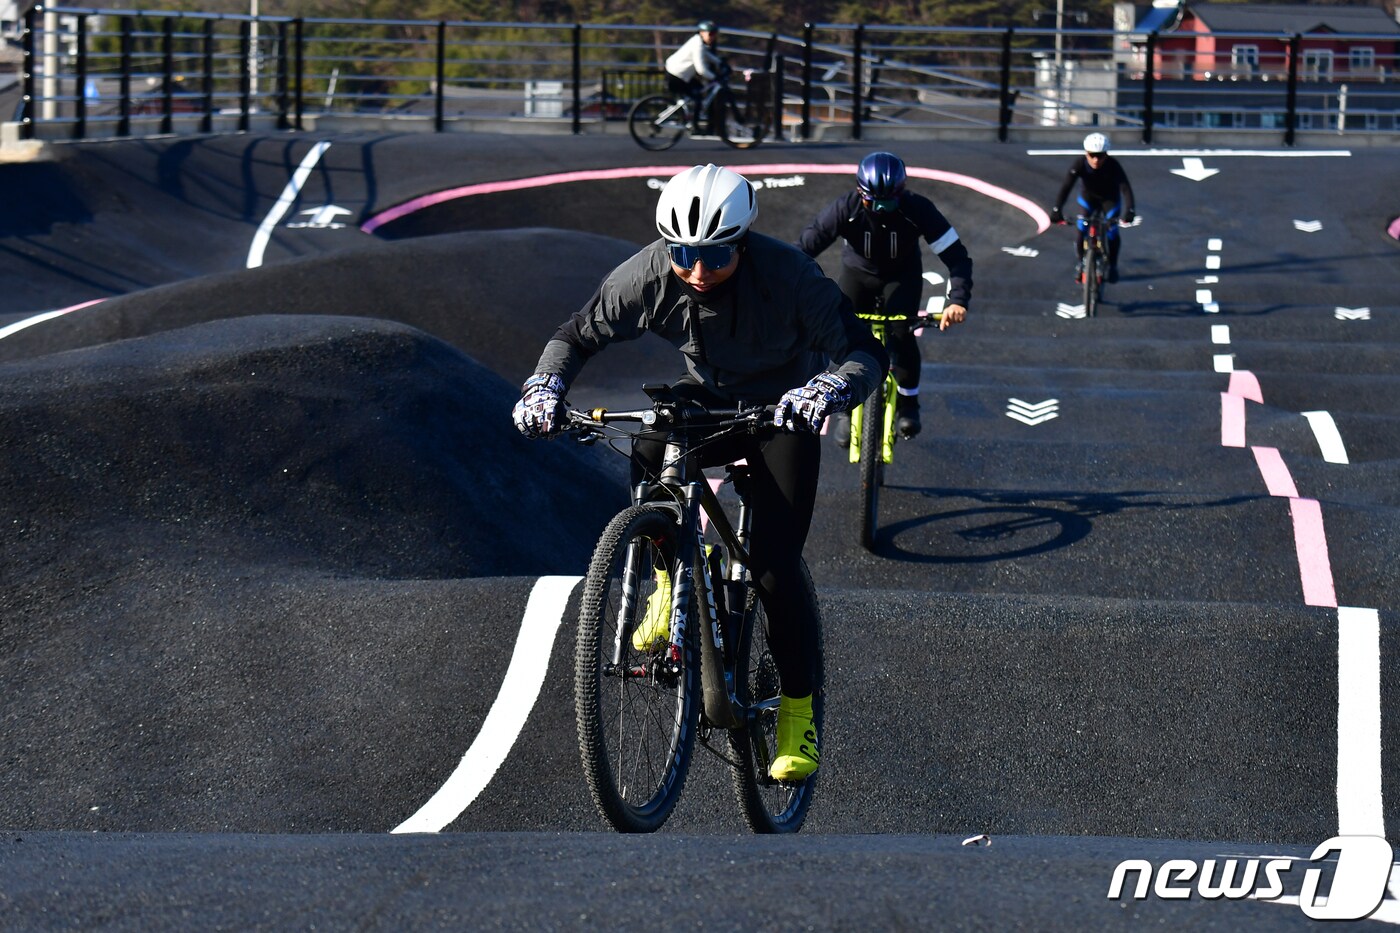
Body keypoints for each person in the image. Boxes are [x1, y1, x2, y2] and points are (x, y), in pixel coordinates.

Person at [512, 164, 887, 783]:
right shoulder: (650, 272)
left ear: (740, 241)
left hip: (785, 408)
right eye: (684, 253)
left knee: (771, 565)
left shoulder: (790, 276)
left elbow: (864, 351)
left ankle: (797, 711)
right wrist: (544, 385)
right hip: (704, 401)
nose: (698, 270)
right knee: (648, 443)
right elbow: (576, 334)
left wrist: (831, 386)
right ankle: (665, 578)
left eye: (714, 255)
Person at [798, 151, 972, 443]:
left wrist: (958, 300)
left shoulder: (918, 209)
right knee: (845, 335)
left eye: (888, 202)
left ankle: (909, 402)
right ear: (859, 192)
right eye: (872, 201)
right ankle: (846, 408)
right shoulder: (845, 208)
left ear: (901, 194)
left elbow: (957, 257)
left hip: (900, 277)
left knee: (901, 335)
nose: (880, 208)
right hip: (857, 274)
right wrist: (791, 291)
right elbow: (803, 249)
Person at [1049, 132, 1136, 284]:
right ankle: (1081, 262)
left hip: (1110, 200)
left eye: (1100, 156)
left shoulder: (1113, 165)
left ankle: (1113, 265)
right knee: (1081, 227)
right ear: (1086, 153)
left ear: (1106, 155)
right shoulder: (1079, 164)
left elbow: (1126, 188)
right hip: (1088, 198)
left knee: (1112, 230)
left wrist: (1130, 210)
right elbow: (1066, 187)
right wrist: (1057, 209)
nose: (1096, 160)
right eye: (1092, 155)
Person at [664, 21, 726, 131]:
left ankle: (693, 122)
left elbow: (706, 55)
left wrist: (718, 62)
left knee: (698, 93)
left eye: (715, 34)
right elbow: (701, 69)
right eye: (710, 34)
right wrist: (715, 78)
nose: (713, 37)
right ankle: (695, 126)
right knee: (698, 96)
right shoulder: (698, 45)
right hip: (677, 76)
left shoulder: (697, 41)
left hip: (678, 73)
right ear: (702, 33)